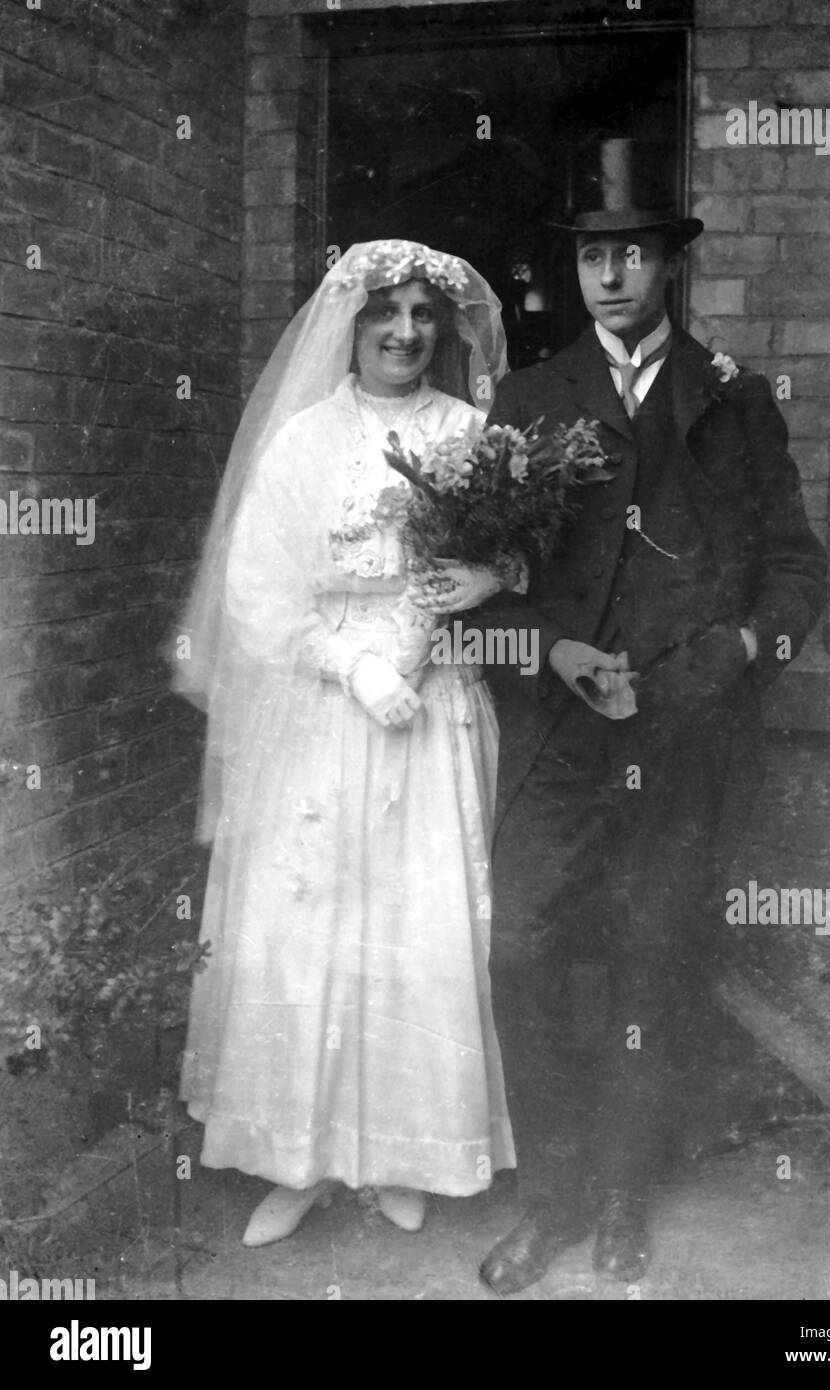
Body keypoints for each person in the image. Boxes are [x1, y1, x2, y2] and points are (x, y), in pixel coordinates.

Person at [475, 139, 829, 1295]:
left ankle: (624, 1198)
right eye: (592, 255)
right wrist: (550, 650)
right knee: (520, 948)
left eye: (631, 252)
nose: (610, 275)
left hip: (682, 739)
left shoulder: (731, 402)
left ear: (668, 265)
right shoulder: (525, 405)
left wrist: (731, 651)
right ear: (573, 269)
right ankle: (556, 1193)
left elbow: (794, 578)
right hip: (558, 748)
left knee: (650, 962)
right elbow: (472, 600)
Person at [173, 241, 516, 1247]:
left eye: (422, 315)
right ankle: (304, 1158)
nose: (406, 332)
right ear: (352, 325)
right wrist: (351, 663)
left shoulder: (472, 433)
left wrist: (484, 583)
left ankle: (403, 1150)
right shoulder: (302, 441)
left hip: (431, 707)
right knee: (307, 921)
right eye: (385, 314)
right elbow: (257, 590)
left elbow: (520, 548)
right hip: (320, 710)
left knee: (417, 923)